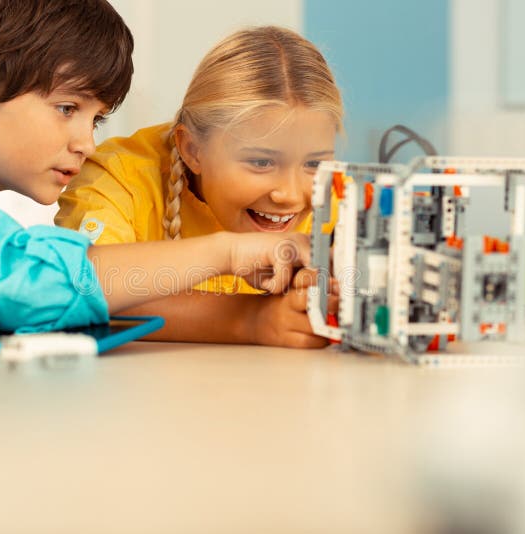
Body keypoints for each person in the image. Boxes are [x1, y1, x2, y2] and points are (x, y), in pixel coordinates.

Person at [0, 0, 309, 354]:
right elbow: (18, 285)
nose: (87, 143)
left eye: (95, 119)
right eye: (66, 108)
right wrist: (226, 253)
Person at [56, 26, 343, 348]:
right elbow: (78, 288)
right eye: (262, 163)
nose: (290, 195)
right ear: (193, 150)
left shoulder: (336, 199)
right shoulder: (118, 177)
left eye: (314, 164)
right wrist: (254, 319)